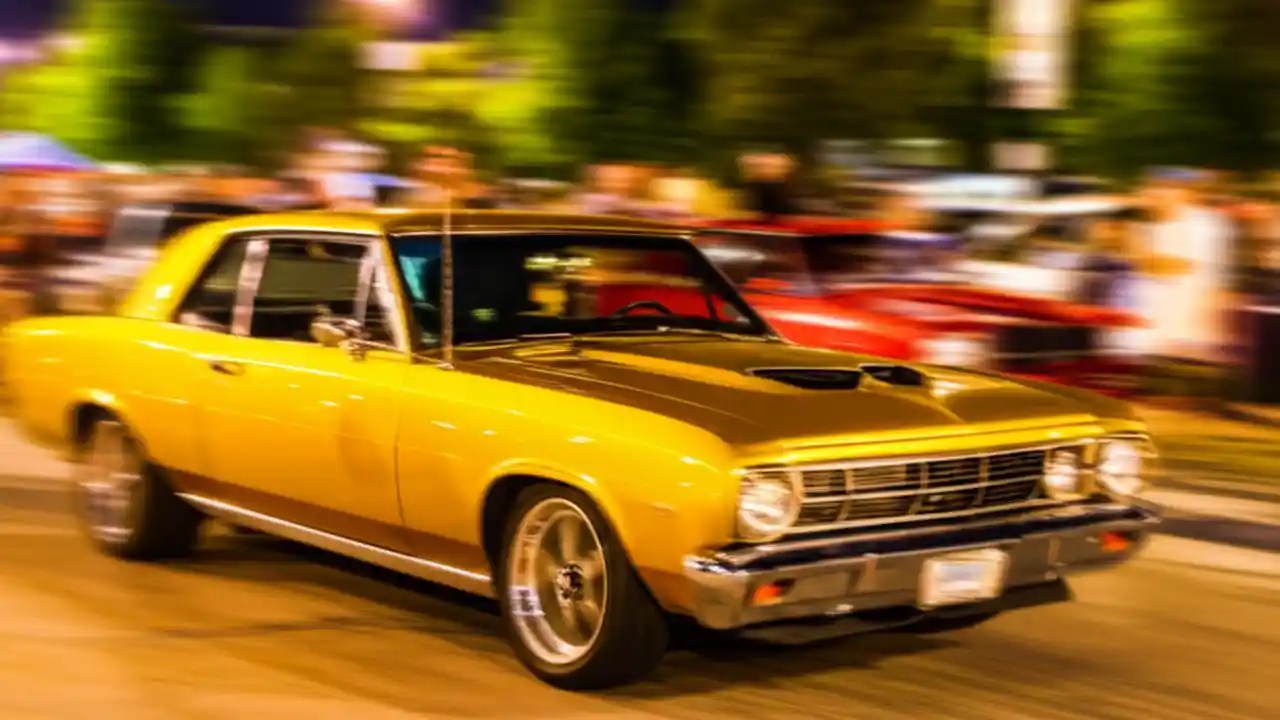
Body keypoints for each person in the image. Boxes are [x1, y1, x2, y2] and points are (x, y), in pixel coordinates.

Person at [1135, 168, 1234, 404]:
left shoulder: (1203, 224)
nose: (1153, 194)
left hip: (1190, 319)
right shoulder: (1160, 225)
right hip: (1165, 324)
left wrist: (1139, 253)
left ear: (1185, 192)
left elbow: (1180, 265)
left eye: (1162, 189)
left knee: (1189, 391)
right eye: (1154, 188)